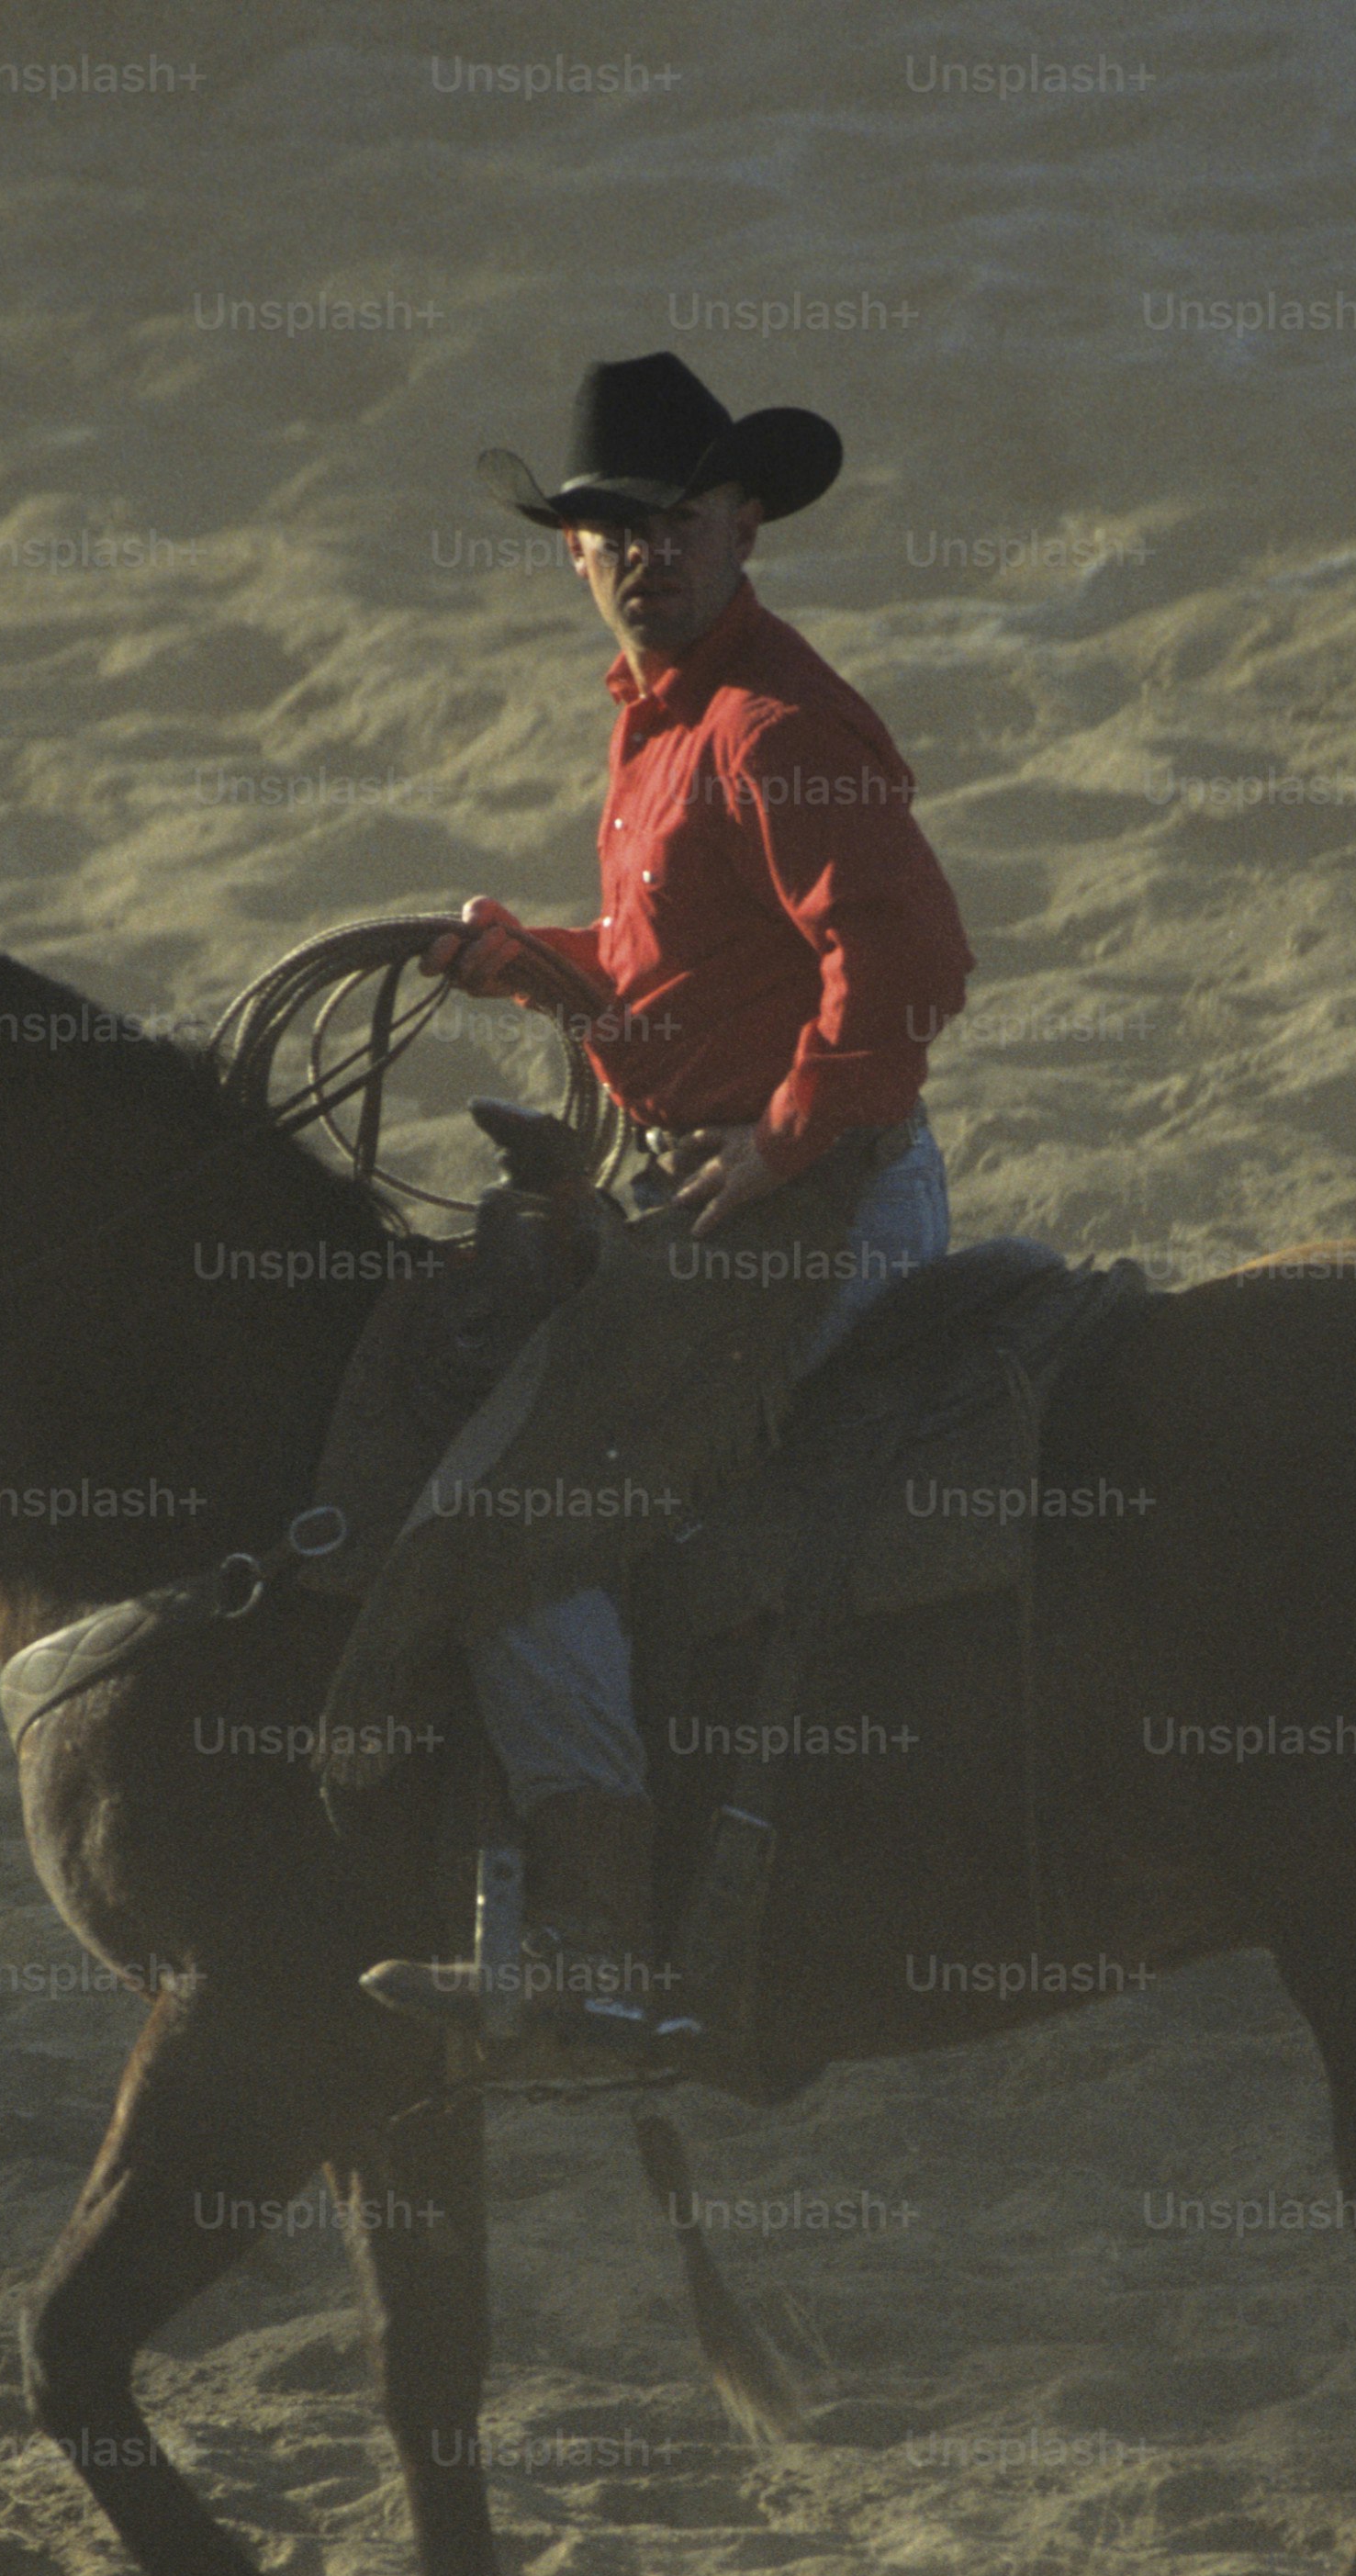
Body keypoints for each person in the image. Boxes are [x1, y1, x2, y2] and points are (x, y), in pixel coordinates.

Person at [360, 352, 973, 2037]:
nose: (645, 551)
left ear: (742, 520)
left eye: (676, 517)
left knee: (519, 1519)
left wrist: (782, 1134)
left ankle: (590, 1945)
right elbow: (682, 965)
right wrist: (537, 963)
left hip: (820, 1198)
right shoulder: (662, 723)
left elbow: (909, 966)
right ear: (574, 552)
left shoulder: (772, 724)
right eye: (610, 526)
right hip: (742, 1180)